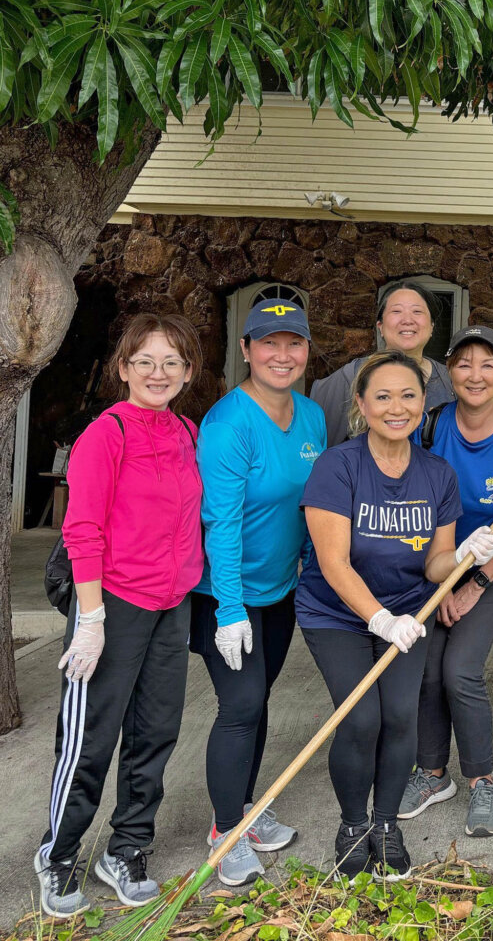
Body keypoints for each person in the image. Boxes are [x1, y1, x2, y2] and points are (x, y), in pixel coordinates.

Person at [296, 351, 493, 880]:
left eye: (408, 395)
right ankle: (352, 823)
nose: (396, 407)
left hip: (410, 613)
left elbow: (434, 565)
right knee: (360, 718)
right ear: (361, 404)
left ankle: (386, 823)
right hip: (336, 614)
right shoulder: (337, 467)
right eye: (382, 396)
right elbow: (334, 564)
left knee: (399, 717)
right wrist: (379, 619)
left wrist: (460, 559)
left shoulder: (437, 474)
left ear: (421, 403)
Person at [36, 314, 204, 918]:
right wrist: (90, 617)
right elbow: (83, 530)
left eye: (171, 363)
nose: (158, 373)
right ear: (124, 367)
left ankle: (129, 847)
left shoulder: (186, 430)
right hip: (113, 604)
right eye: (145, 362)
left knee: (155, 733)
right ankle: (59, 854)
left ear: (187, 372)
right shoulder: (106, 434)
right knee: (90, 739)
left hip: (171, 605)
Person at [191, 302, 326, 886]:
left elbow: (310, 504)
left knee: (258, 702)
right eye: (268, 344)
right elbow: (220, 523)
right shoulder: (227, 425)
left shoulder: (313, 417)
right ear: (245, 350)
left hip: (280, 590)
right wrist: (228, 609)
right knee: (241, 706)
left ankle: (242, 810)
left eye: (293, 344)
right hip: (225, 596)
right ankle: (224, 831)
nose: (282, 355)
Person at [398, 326, 493, 837]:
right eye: (463, 363)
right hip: (434, 561)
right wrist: (439, 575)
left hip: (492, 565)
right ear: (449, 372)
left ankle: (482, 779)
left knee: (460, 669)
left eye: (487, 364)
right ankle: (432, 772)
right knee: (426, 668)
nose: (475, 374)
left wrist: (473, 584)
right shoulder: (431, 426)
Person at [311, 280, 454, 447]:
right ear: (380, 326)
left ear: (431, 327)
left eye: (417, 311)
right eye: (396, 311)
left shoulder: (450, 380)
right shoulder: (351, 377)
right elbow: (317, 447)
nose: (407, 319)